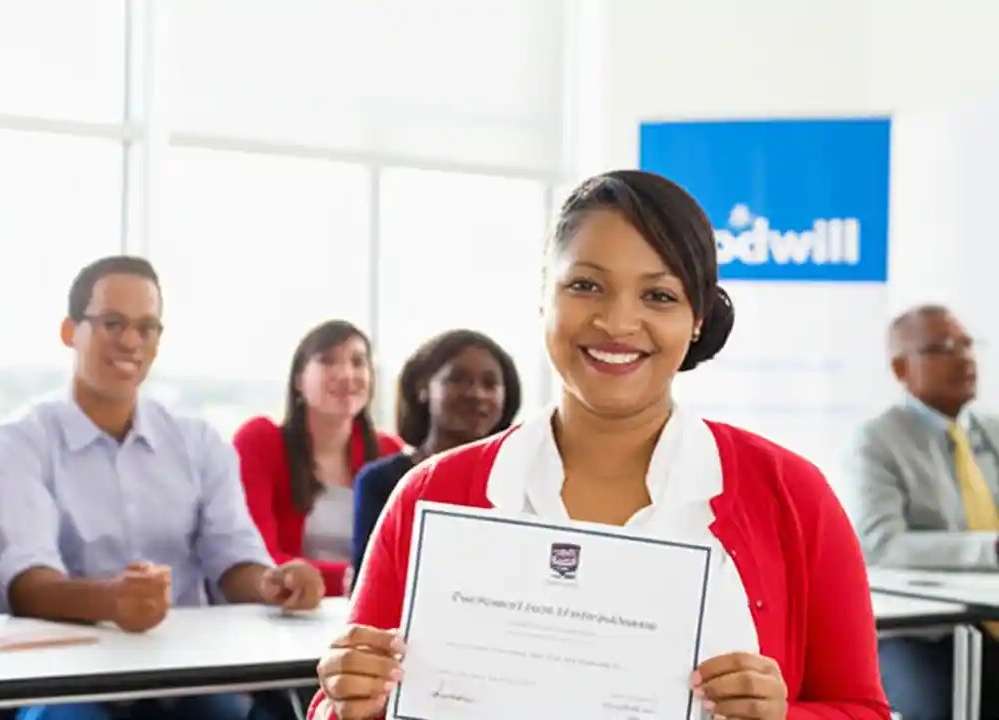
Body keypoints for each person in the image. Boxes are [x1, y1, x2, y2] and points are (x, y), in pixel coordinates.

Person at [311, 170, 889, 720]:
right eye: (586, 285)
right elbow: (342, 704)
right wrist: (349, 700)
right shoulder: (433, 493)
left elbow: (863, 708)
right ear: (544, 297)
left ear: (696, 318)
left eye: (659, 296)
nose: (617, 322)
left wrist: (780, 715)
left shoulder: (792, 494)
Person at [0, 255, 325, 720]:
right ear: (69, 331)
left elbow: (233, 557)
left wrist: (273, 584)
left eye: (146, 328)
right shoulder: (20, 441)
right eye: (112, 323)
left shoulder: (198, 441)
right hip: (68, 679)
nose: (130, 341)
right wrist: (110, 601)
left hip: (185, 678)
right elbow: (25, 584)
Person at [847, 304, 999, 718]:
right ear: (901, 368)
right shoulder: (877, 440)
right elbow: (879, 545)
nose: (964, 357)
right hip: (922, 633)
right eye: (942, 348)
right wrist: (990, 551)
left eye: (967, 345)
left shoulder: (991, 430)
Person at [233, 320, 404, 598]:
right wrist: (359, 578)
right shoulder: (260, 441)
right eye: (327, 361)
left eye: (358, 362)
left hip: (364, 615)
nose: (347, 374)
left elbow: (403, 562)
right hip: (283, 610)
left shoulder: (389, 453)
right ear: (299, 380)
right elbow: (258, 557)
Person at [350, 329, 521, 580]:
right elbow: (367, 587)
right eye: (457, 379)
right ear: (422, 388)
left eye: (490, 383)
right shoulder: (381, 482)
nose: (476, 394)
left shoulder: (519, 483)